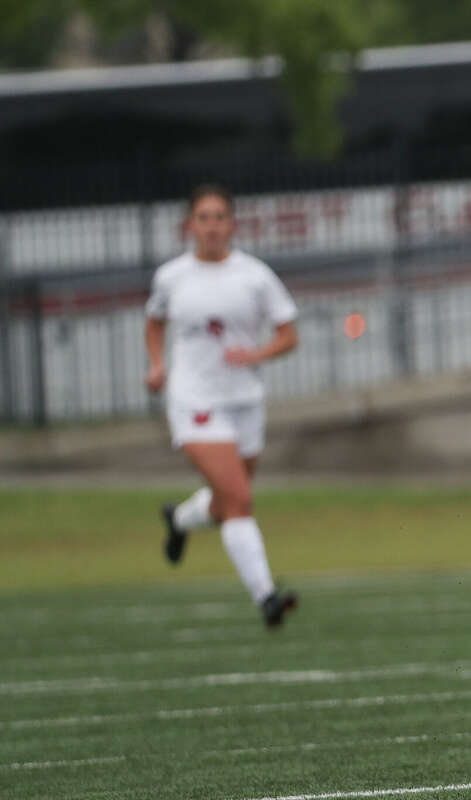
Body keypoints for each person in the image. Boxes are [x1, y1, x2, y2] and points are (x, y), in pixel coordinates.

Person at [145, 184, 301, 628]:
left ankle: (180, 518)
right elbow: (154, 322)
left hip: (245, 401)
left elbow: (289, 335)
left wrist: (257, 355)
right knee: (239, 499)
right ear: (189, 225)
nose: (211, 225)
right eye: (203, 217)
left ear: (232, 225)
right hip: (194, 400)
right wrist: (157, 365)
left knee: (226, 502)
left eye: (219, 217)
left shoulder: (254, 275)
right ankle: (267, 596)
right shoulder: (171, 277)